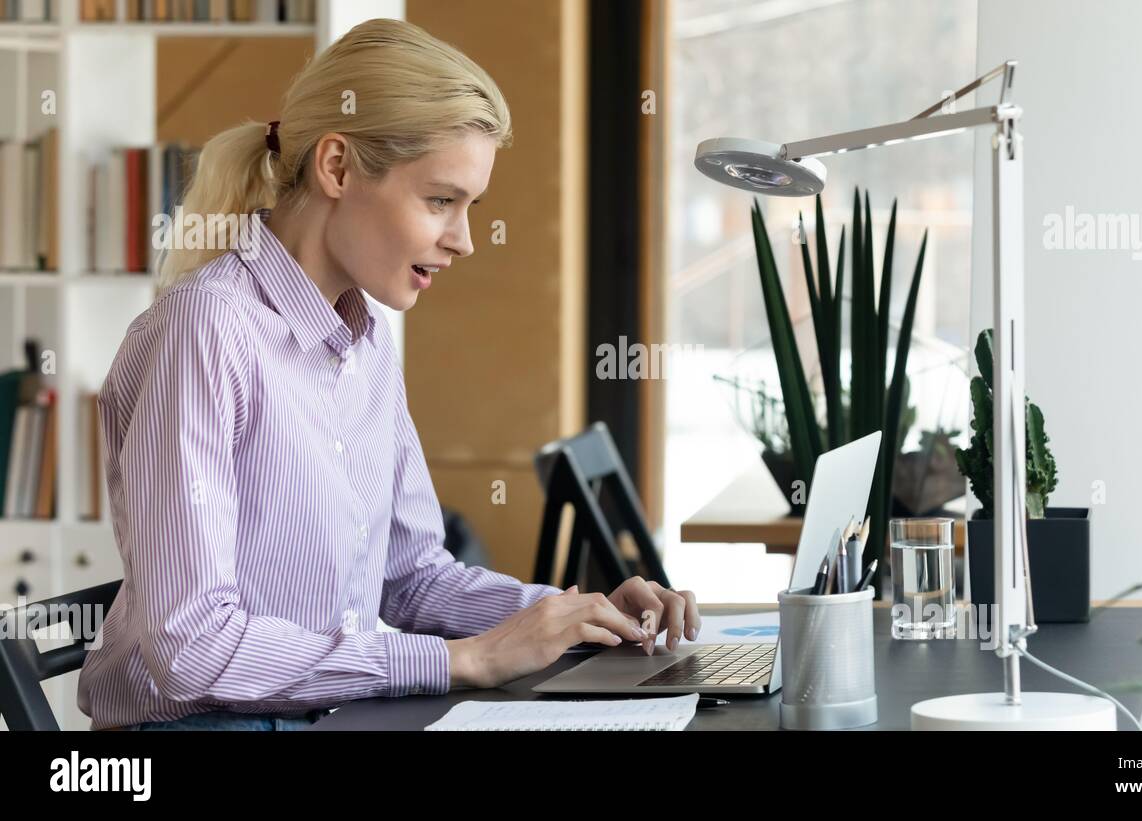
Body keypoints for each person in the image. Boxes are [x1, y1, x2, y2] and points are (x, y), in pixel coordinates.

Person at [79, 18, 700, 731]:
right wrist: (461, 660)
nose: (463, 240)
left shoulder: (365, 339)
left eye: (471, 208)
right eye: (440, 200)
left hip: (326, 714)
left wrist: (569, 614)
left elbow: (410, 577)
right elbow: (189, 647)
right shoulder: (205, 332)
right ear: (337, 167)